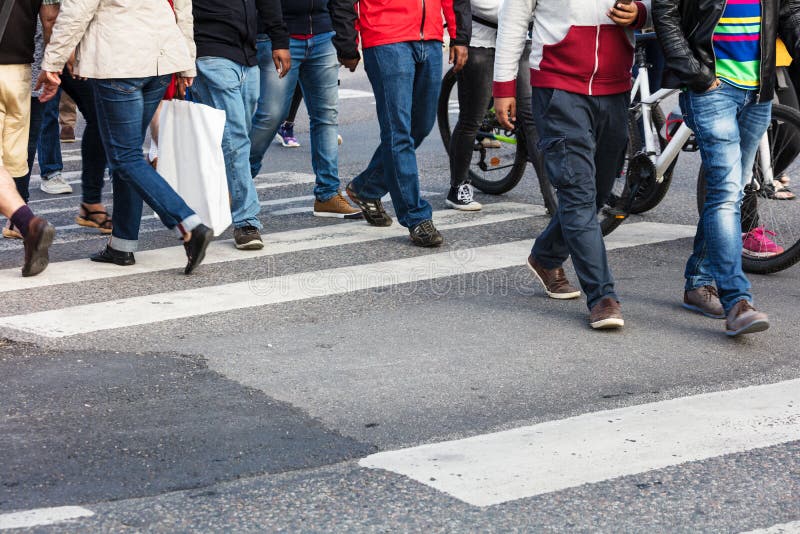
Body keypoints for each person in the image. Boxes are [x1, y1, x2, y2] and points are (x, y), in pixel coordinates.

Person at [494, 0, 650, 329]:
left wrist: (640, 13)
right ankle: (603, 297)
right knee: (577, 193)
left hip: (616, 86)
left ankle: (547, 256)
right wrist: (504, 87)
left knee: (596, 193)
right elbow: (513, 20)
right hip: (558, 88)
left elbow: (658, 5)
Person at [653, 0, 800, 336]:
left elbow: (790, 12)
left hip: (757, 91)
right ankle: (738, 302)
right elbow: (666, 12)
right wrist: (696, 75)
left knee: (731, 190)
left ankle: (698, 283)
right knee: (725, 193)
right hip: (711, 89)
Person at [39, 0, 213, 275]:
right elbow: (182, 7)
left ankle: (188, 223)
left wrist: (52, 61)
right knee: (129, 155)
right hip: (160, 58)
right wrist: (187, 62)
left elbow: (77, 9)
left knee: (125, 157)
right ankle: (121, 246)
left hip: (118, 59)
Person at [329, 0, 471, 247]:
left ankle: (367, 187)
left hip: (431, 37)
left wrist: (460, 37)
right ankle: (416, 217)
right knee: (398, 132)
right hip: (386, 38)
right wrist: (347, 43)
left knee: (422, 124)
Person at [190, 0, 291, 250]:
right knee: (235, 140)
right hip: (211, 51)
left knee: (234, 138)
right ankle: (246, 220)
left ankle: (204, 204)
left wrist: (279, 39)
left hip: (247, 53)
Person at [249, 0, 361, 220]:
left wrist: (346, 41)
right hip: (279, 36)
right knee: (271, 115)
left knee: (326, 117)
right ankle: (237, 183)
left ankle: (327, 194)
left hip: (323, 33)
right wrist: (278, 39)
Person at [447, 0, 542, 212]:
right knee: (472, 119)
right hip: (481, 41)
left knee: (531, 118)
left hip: (518, 39)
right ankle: (458, 187)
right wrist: (524, 13)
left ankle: (552, 198)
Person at [0, 0, 57, 276]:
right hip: (20, 72)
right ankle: (26, 226)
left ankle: (28, 223)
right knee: (11, 162)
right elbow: (49, 17)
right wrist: (52, 66)